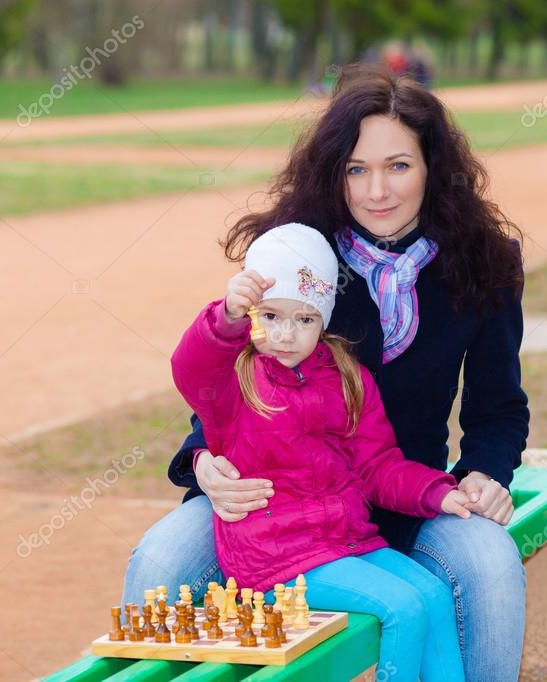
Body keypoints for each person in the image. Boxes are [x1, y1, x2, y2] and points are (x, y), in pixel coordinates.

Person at [125, 64, 529, 681]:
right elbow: (226, 376)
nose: (376, 192)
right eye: (356, 170)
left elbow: (498, 407)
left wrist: (482, 476)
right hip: (270, 502)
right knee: (160, 561)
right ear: (333, 174)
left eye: (399, 165)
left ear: (432, 169)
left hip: (406, 493)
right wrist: (204, 462)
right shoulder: (298, 253)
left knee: (492, 562)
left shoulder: (482, 262)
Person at [171, 223, 467, 680]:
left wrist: (437, 492)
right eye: (270, 316)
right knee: (404, 608)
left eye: (305, 319)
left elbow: (377, 466)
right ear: (251, 315)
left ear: (323, 320)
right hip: (275, 561)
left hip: (346, 543)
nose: (286, 334)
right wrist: (226, 314)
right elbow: (190, 366)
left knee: (431, 595)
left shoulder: (346, 376)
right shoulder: (231, 383)